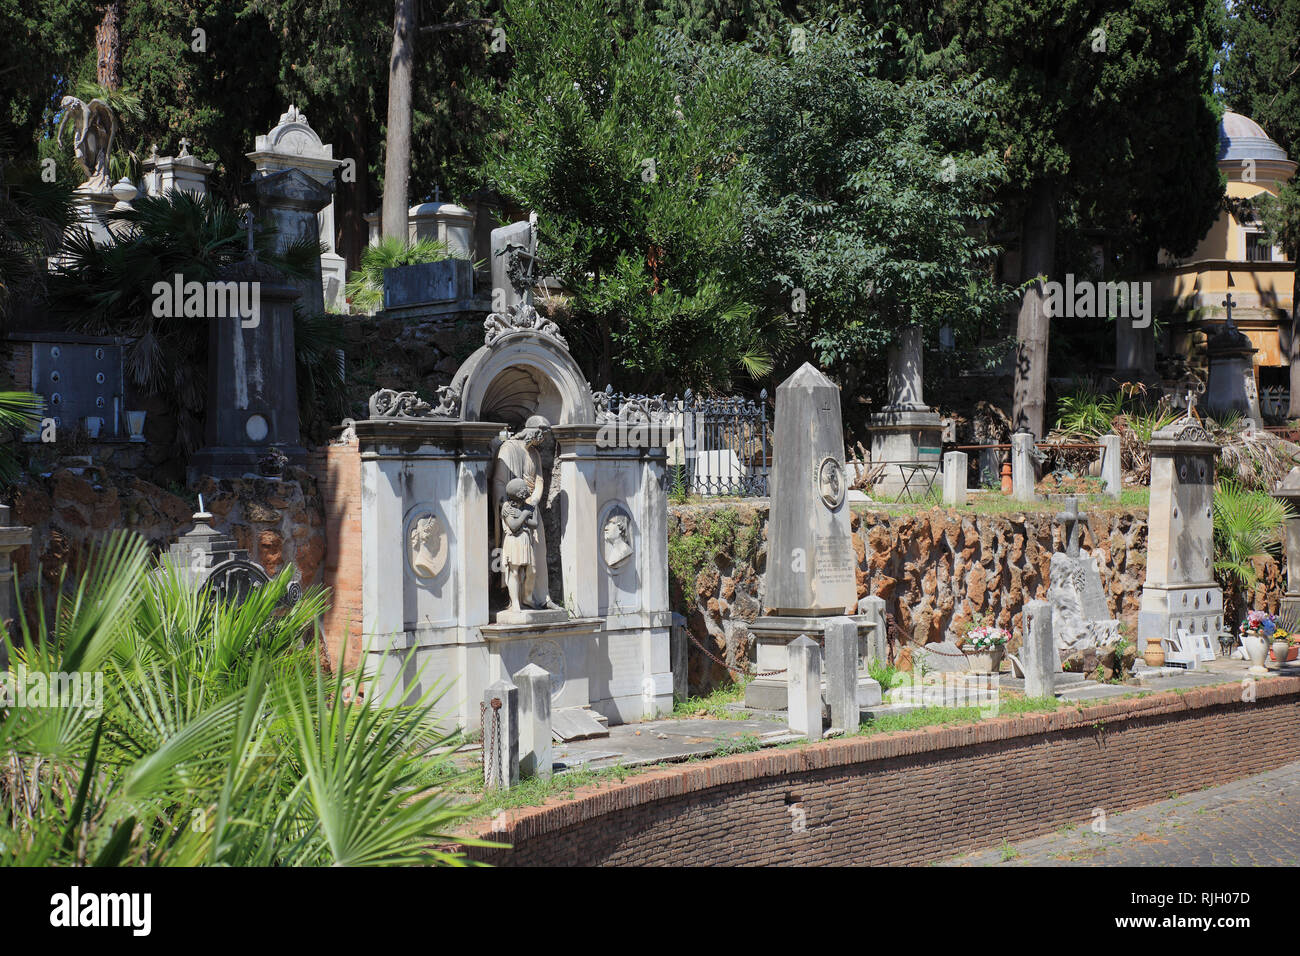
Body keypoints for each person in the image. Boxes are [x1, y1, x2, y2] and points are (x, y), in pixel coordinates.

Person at [500, 478, 538, 612]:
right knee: (514, 571)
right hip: (513, 540)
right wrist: (524, 516)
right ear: (518, 493)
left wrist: (524, 516)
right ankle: (515, 602)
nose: (527, 490)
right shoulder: (507, 507)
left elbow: (535, 524)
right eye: (524, 488)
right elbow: (514, 526)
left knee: (532, 570)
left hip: (525, 540)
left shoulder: (530, 506)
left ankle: (527, 598)